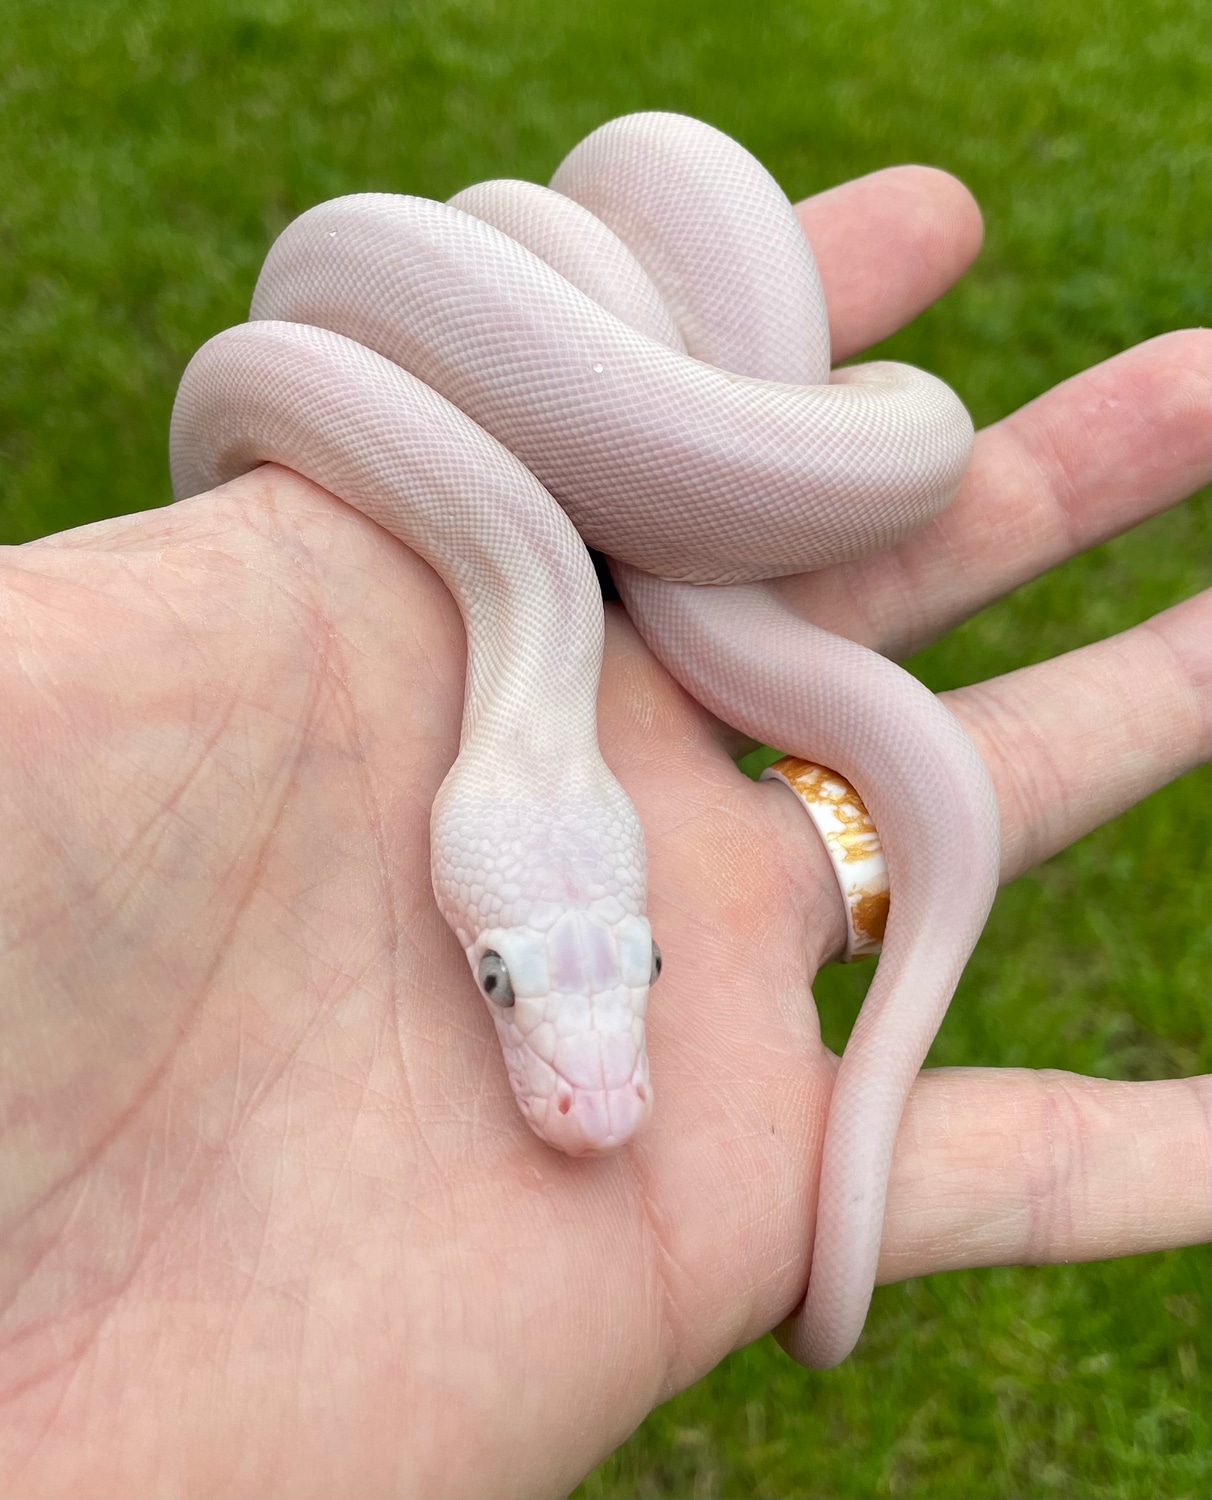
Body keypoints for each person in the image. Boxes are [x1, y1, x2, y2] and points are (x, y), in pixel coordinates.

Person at [0, 163, 1206, 1497]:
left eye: (634, 964)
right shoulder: (518, 588)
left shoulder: (533, 591)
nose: (594, 1087)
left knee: (578, 245)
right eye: (501, 978)